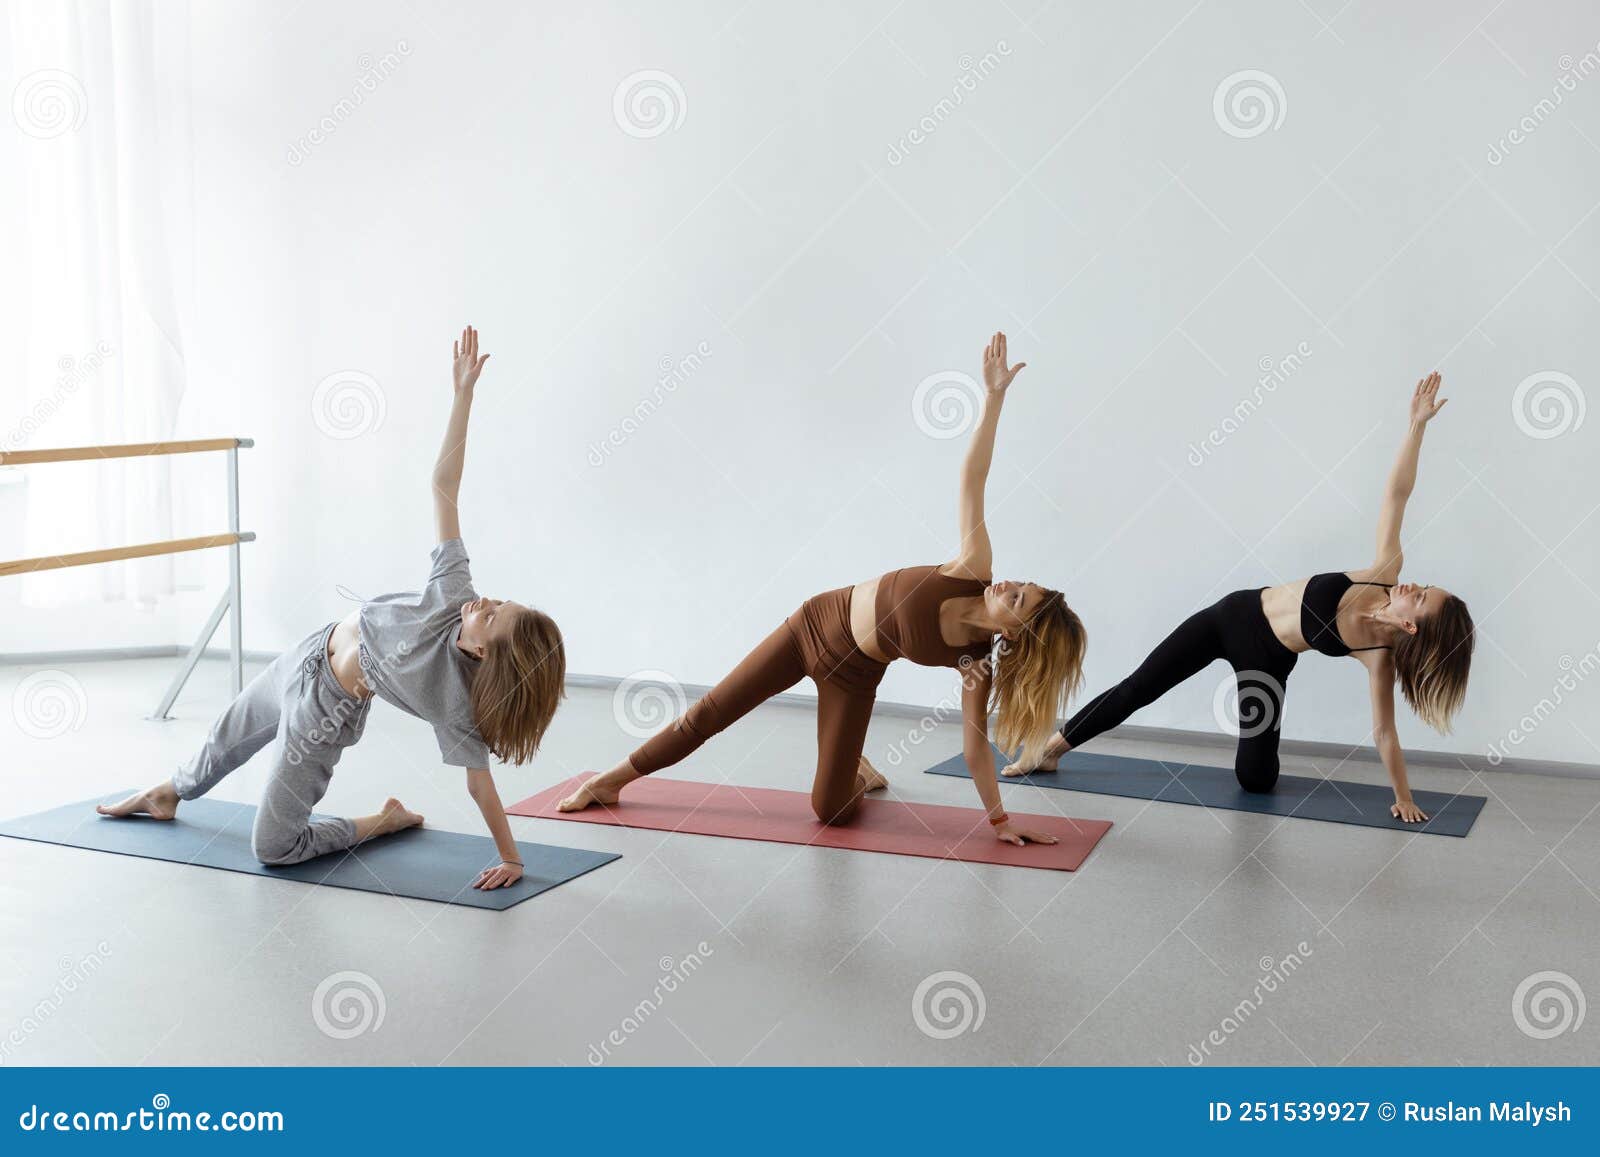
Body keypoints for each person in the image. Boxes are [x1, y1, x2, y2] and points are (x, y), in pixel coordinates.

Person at [560, 333, 1086, 846]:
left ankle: (862, 774)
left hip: (852, 677)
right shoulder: (973, 566)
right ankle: (613, 779)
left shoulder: (975, 664)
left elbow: (974, 751)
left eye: (1020, 599)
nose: (1011, 585)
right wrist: (993, 398)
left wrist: (999, 823)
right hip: (810, 626)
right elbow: (974, 478)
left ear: (1017, 634)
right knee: (711, 711)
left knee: (830, 811)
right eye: (1024, 584)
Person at [98, 326, 567, 887]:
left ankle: (381, 822)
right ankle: (168, 792)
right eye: (500, 601)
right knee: (228, 733)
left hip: (327, 709)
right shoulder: (455, 592)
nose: (485, 602)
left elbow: (479, 784)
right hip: (310, 651)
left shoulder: (459, 706)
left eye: (493, 615)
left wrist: (511, 857)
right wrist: (463, 394)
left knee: (274, 846)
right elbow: (443, 484)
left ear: (488, 655)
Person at [1007, 372, 1473, 823]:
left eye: (1422, 597)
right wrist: (1416, 426)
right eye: (1426, 586)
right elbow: (1397, 494)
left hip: (1267, 662)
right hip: (1231, 616)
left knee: (1255, 780)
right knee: (1142, 685)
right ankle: (1050, 751)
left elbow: (1384, 733)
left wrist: (1404, 797)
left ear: (1412, 626)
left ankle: (1254, 764)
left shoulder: (1378, 657)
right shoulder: (1383, 573)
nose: (1415, 585)